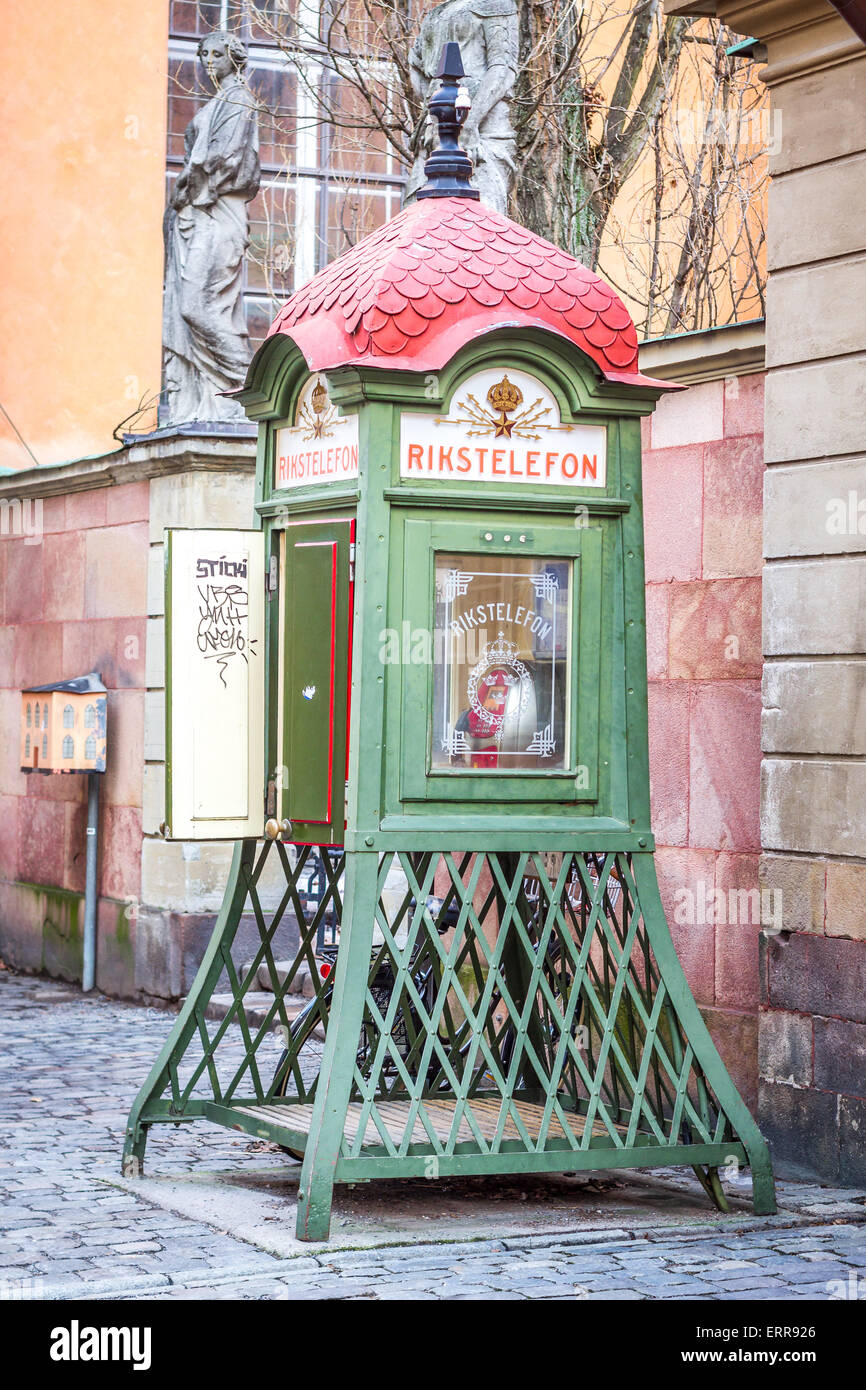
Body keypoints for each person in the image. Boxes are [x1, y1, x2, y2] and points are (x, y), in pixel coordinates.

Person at [162, 30, 261, 424]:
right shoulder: (218, 100)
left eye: (216, 54)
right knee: (189, 309)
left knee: (198, 307)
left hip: (216, 211)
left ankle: (249, 393)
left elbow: (226, 157)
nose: (207, 61)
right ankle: (206, 398)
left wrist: (187, 186)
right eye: (203, 54)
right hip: (193, 214)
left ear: (234, 58)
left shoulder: (239, 99)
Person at [404, 0, 519, 214]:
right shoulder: (436, 14)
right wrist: (434, 108)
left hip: (484, 131)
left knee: (483, 213)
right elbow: (416, 65)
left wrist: (470, 122)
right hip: (436, 132)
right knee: (418, 216)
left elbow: (503, 68)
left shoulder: (495, 4)